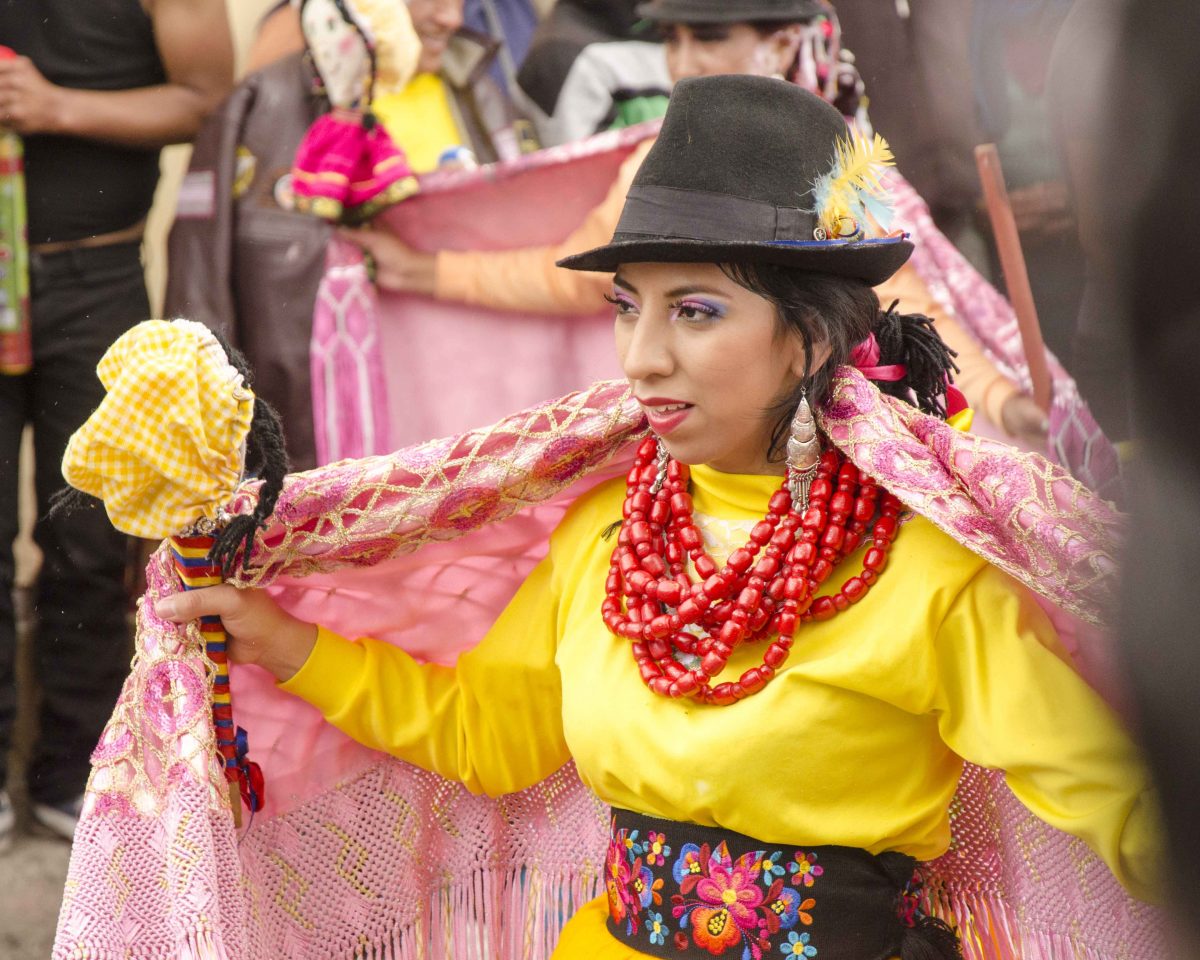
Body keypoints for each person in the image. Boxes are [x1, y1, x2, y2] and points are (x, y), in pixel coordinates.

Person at [156, 75, 1157, 958]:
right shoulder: (605, 534)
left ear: (811, 342)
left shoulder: (927, 569)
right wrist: (283, 641)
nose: (640, 357)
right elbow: (488, 734)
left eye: (695, 310)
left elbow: (1130, 801)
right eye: (628, 306)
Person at [345, 0, 1050, 447]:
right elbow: (573, 270)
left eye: (707, 36)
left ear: (783, 44)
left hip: (799, 452)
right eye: (674, 38)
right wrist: (426, 271)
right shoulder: (663, 155)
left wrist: (999, 399)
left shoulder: (835, 162)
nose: (682, 61)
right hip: (674, 445)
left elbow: (902, 303)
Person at [0, 0, 233, 848]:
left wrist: (54, 106)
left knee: (97, 531)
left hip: (95, 272)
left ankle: (77, 773)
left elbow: (208, 96)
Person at [167, 0, 525, 470]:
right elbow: (199, 292)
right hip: (311, 453)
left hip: (461, 444)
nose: (453, 18)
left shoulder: (479, 91)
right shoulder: (263, 106)